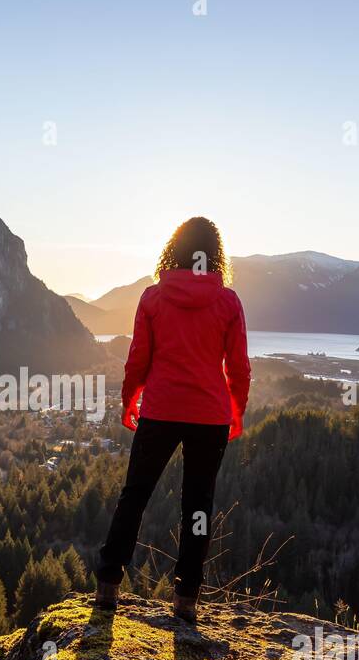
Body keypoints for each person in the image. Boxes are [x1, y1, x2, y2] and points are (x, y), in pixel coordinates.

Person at [94, 216, 251, 624]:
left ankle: (108, 587)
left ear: (173, 249)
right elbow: (239, 368)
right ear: (215, 255)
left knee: (135, 496)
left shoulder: (152, 298)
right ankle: (186, 600)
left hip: (161, 410)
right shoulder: (228, 301)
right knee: (197, 507)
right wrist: (237, 411)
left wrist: (130, 399)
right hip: (209, 416)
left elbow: (138, 359)